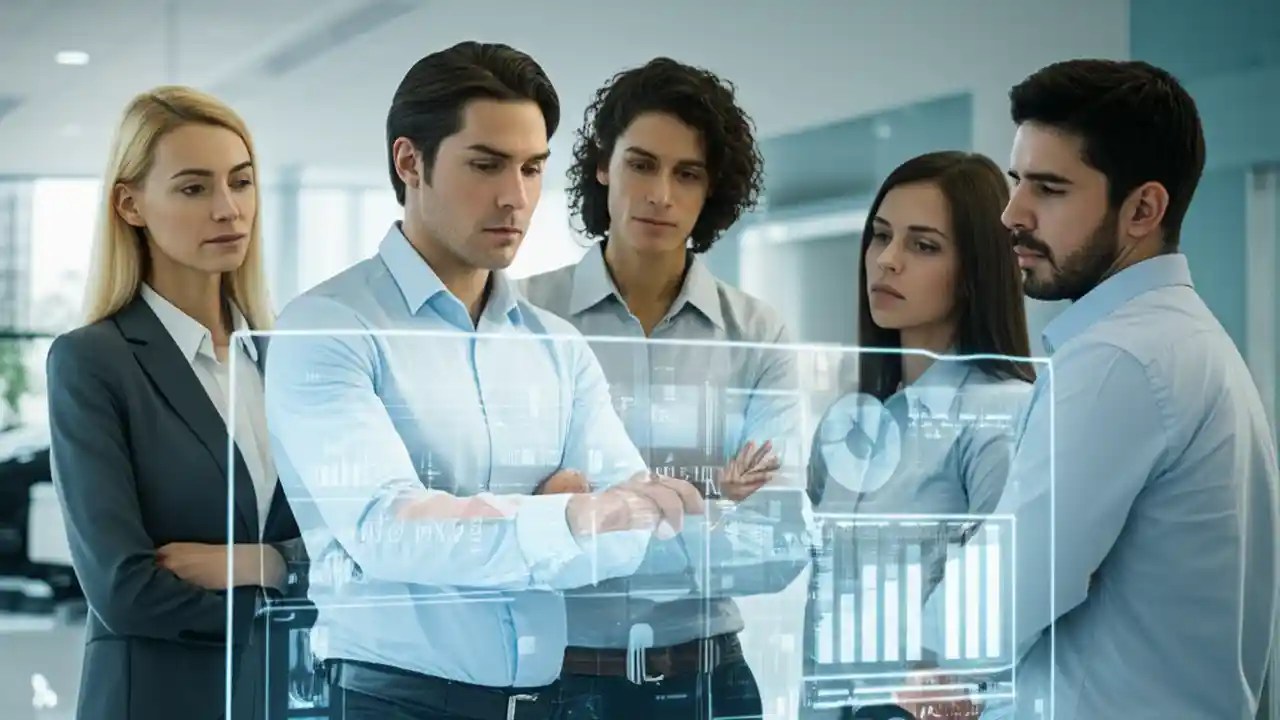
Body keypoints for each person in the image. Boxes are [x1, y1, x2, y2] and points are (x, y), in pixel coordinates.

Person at [263, 42, 704, 720]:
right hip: (391, 702)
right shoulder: (326, 329)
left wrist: (522, 520)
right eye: (486, 164)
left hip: (547, 703)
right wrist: (566, 511)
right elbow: (386, 532)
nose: (517, 196)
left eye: (532, 168)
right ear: (410, 162)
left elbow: (631, 528)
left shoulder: (557, 345)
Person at [905, 59, 1279, 720]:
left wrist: (938, 652)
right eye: (1017, 179)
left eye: (1048, 189)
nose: (1011, 213)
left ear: (1143, 209)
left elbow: (1000, 597)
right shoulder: (1190, 343)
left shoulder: (1118, 358)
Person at [521, 56, 810, 720]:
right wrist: (708, 507)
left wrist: (592, 517)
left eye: (688, 174)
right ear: (603, 166)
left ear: (713, 191)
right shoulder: (526, 320)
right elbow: (504, 526)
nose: (661, 194)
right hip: (559, 683)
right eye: (642, 164)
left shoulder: (756, 335)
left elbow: (777, 550)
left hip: (711, 685)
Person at [45, 86, 305, 720]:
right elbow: (124, 588)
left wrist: (262, 563)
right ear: (130, 205)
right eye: (194, 189)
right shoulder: (92, 361)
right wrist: (296, 607)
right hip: (157, 700)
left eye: (240, 183)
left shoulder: (286, 359)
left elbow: (357, 547)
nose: (228, 209)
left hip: (282, 702)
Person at [801, 151, 1034, 719]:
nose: (887, 261)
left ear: (976, 270)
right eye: (881, 237)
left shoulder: (1001, 416)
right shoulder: (850, 426)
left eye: (923, 245)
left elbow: (1006, 619)